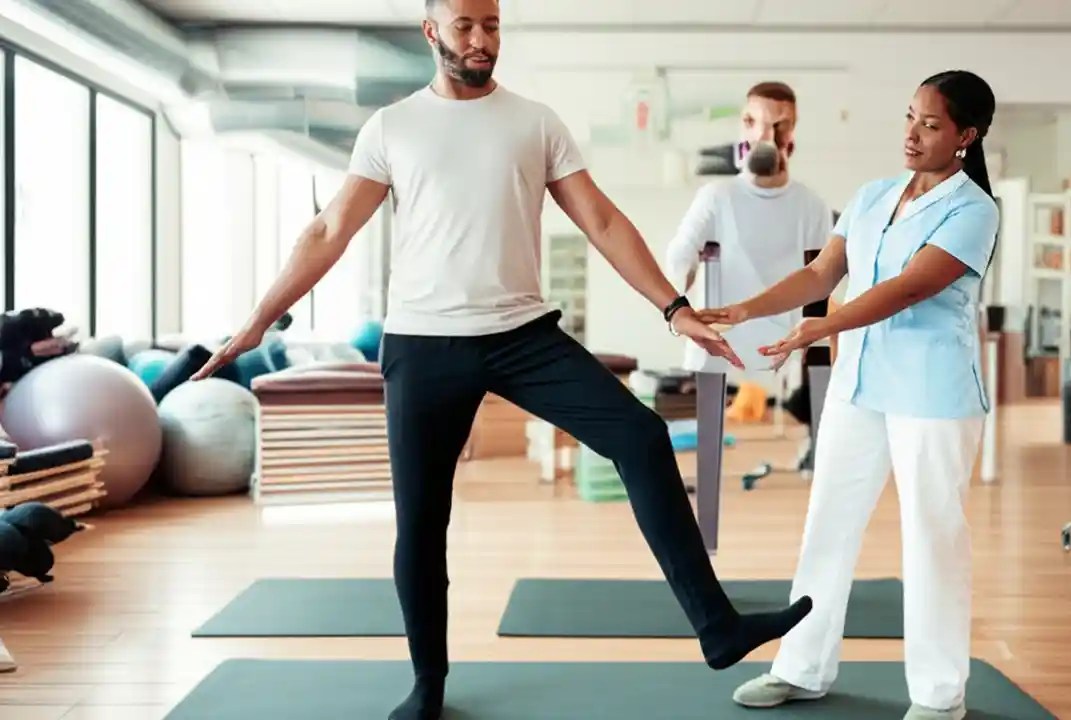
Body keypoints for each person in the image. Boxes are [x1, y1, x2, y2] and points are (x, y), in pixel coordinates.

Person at [190, 1, 812, 718]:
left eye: (492, 25)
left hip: (524, 335)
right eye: (466, 26)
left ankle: (718, 626)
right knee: (423, 522)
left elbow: (603, 220)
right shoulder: (392, 126)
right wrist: (257, 320)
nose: (482, 39)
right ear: (432, 32)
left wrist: (674, 308)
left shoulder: (534, 122)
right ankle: (428, 683)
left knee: (641, 437)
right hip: (422, 345)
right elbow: (330, 228)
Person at [702, 70, 999, 720]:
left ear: (964, 136)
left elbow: (911, 287)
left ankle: (939, 694)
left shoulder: (974, 209)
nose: (912, 133)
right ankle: (801, 667)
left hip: (931, 396)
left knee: (932, 537)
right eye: (909, 117)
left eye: (931, 124)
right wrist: (746, 309)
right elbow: (819, 272)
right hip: (859, 388)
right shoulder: (872, 194)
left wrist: (826, 322)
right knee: (826, 526)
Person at [664, 80, 833, 374]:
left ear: (792, 131)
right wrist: (678, 305)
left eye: (778, 125)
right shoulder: (716, 197)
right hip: (715, 355)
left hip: (781, 359)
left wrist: (812, 357)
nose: (764, 136)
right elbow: (681, 256)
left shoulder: (811, 206)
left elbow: (820, 286)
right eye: (752, 122)